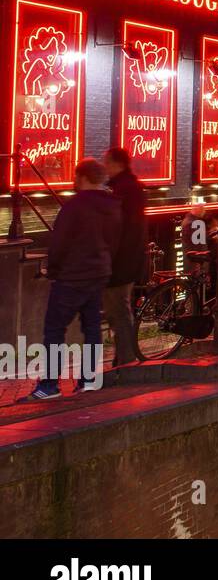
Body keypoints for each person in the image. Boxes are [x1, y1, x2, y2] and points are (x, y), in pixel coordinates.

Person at [19, 159, 121, 402]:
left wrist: (53, 270)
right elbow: (116, 241)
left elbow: (60, 242)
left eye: (76, 178)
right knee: (92, 327)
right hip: (98, 273)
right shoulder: (114, 206)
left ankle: (50, 385)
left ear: (83, 177)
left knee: (54, 329)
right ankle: (88, 380)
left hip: (72, 276)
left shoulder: (75, 206)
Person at [102, 147, 145, 367]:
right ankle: (124, 356)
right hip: (126, 259)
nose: (105, 167)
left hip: (120, 262)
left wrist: (111, 258)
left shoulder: (124, 190)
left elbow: (121, 229)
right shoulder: (127, 187)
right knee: (118, 309)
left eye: (107, 163)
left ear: (117, 163)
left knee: (117, 310)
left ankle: (127, 361)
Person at [180, 201, 209, 275]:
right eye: (202, 208)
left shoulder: (186, 221)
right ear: (198, 209)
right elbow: (200, 245)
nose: (204, 211)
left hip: (189, 263)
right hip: (197, 265)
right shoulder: (197, 223)